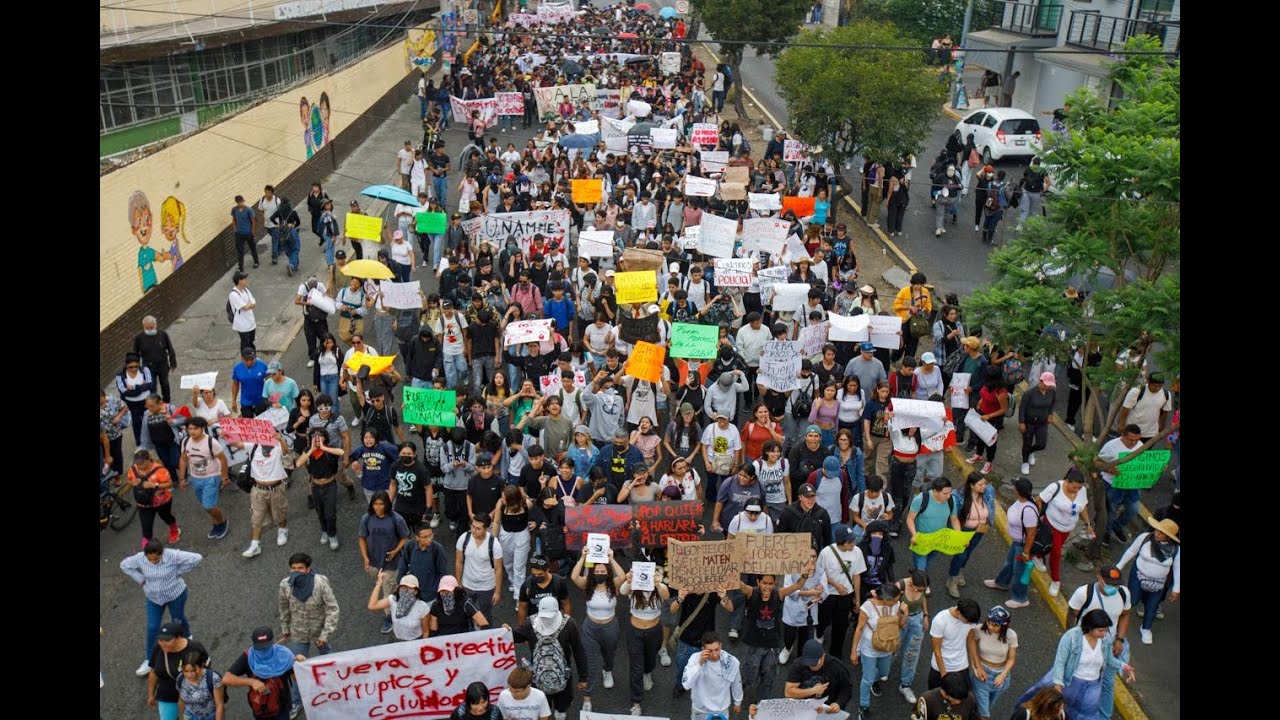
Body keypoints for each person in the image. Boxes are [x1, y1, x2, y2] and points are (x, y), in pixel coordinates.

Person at [1013, 610, 1136, 720]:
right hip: (1071, 681)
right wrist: (1058, 684)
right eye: (1100, 630)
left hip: (1093, 685)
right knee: (1060, 710)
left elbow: (1109, 659)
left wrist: (1123, 666)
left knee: (1089, 714)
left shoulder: (1104, 641)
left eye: (1105, 630)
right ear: (1090, 627)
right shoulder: (1071, 637)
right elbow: (1060, 662)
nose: (1104, 634)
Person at [121, 540, 202, 677]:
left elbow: (197, 558)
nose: (153, 561)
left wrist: (179, 571)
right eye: (150, 559)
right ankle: (149, 659)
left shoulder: (173, 555)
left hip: (175, 594)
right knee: (153, 627)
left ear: (162, 554)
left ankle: (187, 637)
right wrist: (140, 579)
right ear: (145, 555)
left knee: (177, 620)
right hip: (153, 598)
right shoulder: (139, 558)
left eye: (156, 559)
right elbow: (124, 565)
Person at [511, 595, 590, 720]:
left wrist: (583, 676)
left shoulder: (567, 624)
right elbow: (517, 636)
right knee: (546, 705)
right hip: (560, 673)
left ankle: (560, 711)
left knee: (559, 704)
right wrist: (507, 631)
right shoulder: (567, 623)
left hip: (542, 674)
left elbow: (578, 650)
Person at [278, 552, 339, 714]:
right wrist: (285, 628)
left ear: (308, 569)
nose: (296, 572)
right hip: (299, 631)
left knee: (328, 662)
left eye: (300, 568)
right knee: (296, 669)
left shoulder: (320, 583)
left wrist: (325, 634)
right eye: (293, 568)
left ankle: (335, 690)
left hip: (319, 630)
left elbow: (332, 608)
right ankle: (297, 702)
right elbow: (284, 608)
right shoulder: (285, 585)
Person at [737, 572, 808, 705]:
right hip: (753, 644)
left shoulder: (779, 594)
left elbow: (798, 585)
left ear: (775, 584)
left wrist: (805, 575)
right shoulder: (751, 592)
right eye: (764, 583)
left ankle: (761, 702)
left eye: (771, 584)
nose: (767, 587)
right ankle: (741, 689)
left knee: (768, 677)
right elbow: (739, 584)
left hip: (772, 645)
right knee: (749, 675)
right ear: (758, 582)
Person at [571, 546, 627, 711]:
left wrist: (611, 558)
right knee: (590, 662)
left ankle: (607, 670)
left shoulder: (613, 586)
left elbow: (622, 576)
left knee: (609, 653)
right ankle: (587, 697)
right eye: (597, 571)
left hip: (610, 627)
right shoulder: (587, 585)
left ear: (608, 573)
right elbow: (574, 576)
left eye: (603, 571)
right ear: (592, 573)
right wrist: (582, 557)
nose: (600, 574)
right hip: (590, 628)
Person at [1115, 518, 1180, 645]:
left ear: (1168, 536)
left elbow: (1178, 569)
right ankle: (1117, 617)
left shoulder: (1176, 550)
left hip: (1158, 583)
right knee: (1132, 600)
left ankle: (1146, 628)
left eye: (1161, 533)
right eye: (1157, 530)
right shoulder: (1145, 538)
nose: (1157, 533)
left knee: (1152, 606)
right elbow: (1131, 551)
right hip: (1138, 576)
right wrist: (1119, 566)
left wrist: (1176, 589)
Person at [222, 627, 308, 720]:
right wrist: (251, 682)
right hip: (260, 708)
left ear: (272, 642)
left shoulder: (283, 656)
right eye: (259, 647)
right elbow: (226, 679)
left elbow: (297, 679)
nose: (263, 650)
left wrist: (301, 665)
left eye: (266, 646)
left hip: (282, 708)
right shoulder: (249, 657)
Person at [620, 564, 672, 715]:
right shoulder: (634, 587)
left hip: (654, 631)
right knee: (636, 667)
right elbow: (623, 591)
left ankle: (647, 673)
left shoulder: (659, 587)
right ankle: (636, 703)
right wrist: (629, 580)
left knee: (649, 659)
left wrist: (657, 583)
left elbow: (667, 595)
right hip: (635, 631)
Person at [850, 583, 907, 718]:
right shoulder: (867, 607)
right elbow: (859, 629)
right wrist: (854, 651)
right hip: (869, 648)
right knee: (867, 679)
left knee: (883, 673)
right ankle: (863, 707)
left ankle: (874, 680)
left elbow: (901, 625)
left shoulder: (896, 605)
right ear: (885, 599)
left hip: (887, 646)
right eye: (894, 600)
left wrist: (905, 613)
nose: (896, 602)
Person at [234, 430, 293, 558]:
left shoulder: (278, 446)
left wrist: (280, 439)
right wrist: (226, 435)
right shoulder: (253, 445)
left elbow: (286, 451)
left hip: (276, 488)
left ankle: (282, 530)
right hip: (257, 489)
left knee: (280, 512)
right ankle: (255, 545)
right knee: (256, 517)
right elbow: (237, 444)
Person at [1036, 468, 1094, 597]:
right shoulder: (1054, 487)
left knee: (1051, 546)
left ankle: (1039, 555)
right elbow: (1039, 499)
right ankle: (1056, 580)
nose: (1077, 490)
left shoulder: (1081, 491)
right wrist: (1035, 516)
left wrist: (1088, 524)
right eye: (1074, 487)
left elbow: (1083, 507)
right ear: (1067, 481)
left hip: (1067, 528)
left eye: (1079, 488)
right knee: (1056, 551)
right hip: (1052, 524)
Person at [360, 491, 411, 633]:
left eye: (381, 504)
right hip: (373, 563)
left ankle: (390, 617)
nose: (378, 507)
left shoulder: (396, 519)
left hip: (392, 564)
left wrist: (395, 551)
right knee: (382, 585)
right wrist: (365, 557)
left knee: (388, 592)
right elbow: (362, 537)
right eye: (375, 504)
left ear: (387, 504)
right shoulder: (366, 518)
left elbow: (404, 537)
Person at [985, 478, 1038, 609]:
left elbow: (1031, 533)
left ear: (1017, 491)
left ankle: (1020, 598)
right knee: (1010, 564)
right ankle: (1001, 582)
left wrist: (1026, 552)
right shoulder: (1021, 502)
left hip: (1023, 545)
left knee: (1019, 571)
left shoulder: (1028, 510)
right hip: (1017, 542)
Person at [817, 525, 867, 658]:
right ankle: (819, 634)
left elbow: (856, 576)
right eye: (849, 542)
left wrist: (857, 598)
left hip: (845, 596)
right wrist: (835, 584)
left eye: (853, 541)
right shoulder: (826, 553)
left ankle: (835, 652)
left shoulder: (857, 552)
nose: (853, 544)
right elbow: (819, 574)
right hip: (828, 594)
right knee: (823, 619)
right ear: (840, 542)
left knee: (841, 625)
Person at [178, 417, 231, 540]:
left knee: (208, 506)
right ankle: (216, 524)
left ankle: (222, 522)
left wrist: (224, 476)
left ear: (202, 428)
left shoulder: (211, 442)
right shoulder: (185, 442)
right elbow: (183, 459)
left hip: (211, 477)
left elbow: (223, 459)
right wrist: (182, 478)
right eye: (190, 429)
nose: (192, 431)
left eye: (195, 428)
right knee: (206, 504)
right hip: (195, 478)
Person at [945, 473, 993, 598]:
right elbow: (954, 515)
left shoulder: (988, 493)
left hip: (978, 532)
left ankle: (959, 571)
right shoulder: (959, 497)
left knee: (968, 553)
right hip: (964, 531)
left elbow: (991, 508)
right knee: (960, 555)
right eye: (980, 484)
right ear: (972, 486)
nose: (984, 487)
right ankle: (952, 579)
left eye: (984, 483)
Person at [146, 622, 207, 720]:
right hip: (168, 695)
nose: (162, 643)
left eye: (167, 640)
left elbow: (206, 670)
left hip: (192, 696)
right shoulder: (158, 648)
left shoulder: (194, 648)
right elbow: (154, 672)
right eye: (160, 640)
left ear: (178, 638)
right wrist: (150, 694)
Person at [968, 607, 1018, 720]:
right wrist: (976, 665)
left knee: (986, 706)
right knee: (984, 714)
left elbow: (1011, 659)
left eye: (995, 625)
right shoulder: (979, 630)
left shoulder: (1011, 635)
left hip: (1001, 677)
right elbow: (972, 645)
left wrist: (1003, 674)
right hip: (983, 675)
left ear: (1004, 626)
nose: (990, 627)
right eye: (989, 622)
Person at [682, 631, 744, 720]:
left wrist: (737, 702)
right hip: (701, 710)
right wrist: (700, 664)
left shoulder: (731, 662)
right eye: (710, 651)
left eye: (717, 649)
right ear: (703, 649)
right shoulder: (695, 659)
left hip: (721, 709)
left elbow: (736, 683)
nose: (714, 654)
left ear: (721, 645)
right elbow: (687, 685)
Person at [906, 477, 962, 574]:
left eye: (950, 492)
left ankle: (917, 570)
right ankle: (920, 581)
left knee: (927, 561)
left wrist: (960, 536)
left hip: (938, 541)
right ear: (935, 491)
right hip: (922, 540)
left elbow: (954, 519)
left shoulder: (951, 500)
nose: (948, 496)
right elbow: (910, 519)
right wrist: (914, 535)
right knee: (921, 569)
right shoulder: (921, 499)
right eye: (945, 493)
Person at [456, 512, 505, 620]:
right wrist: (458, 584)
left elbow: (498, 569)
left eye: (478, 528)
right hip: (467, 584)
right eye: (472, 526)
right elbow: (459, 562)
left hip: (486, 587)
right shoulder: (463, 539)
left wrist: (497, 592)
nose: (473, 530)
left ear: (486, 529)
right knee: (465, 614)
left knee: (485, 616)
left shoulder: (494, 544)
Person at [128, 448, 181, 548]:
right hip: (143, 504)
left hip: (161, 502)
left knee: (166, 517)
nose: (139, 466)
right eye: (138, 464)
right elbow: (129, 481)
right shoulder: (133, 469)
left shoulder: (160, 470)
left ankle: (174, 529)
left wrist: (154, 485)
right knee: (146, 526)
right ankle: (147, 550)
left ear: (149, 459)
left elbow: (169, 484)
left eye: (142, 464)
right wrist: (132, 483)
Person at [785, 638, 854, 714]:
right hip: (806, 708)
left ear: (823, 656)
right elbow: (788, 692)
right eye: (808, 663)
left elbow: (846, 688)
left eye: (814, 663)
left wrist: (838, 704)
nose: (811, 666)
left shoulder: (836, 666)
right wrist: (813, 690)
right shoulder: (798, 665)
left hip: (828, 709)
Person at [928, 598, 981, 691]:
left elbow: (971, 641)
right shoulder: (940, 620)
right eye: (967, 621)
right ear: (959, 612)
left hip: (961, 666)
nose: (969, 624)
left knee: (964, 700)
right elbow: (937, 650)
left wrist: (978, 666)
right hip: (940, 669)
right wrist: (944, 676)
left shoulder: (969, 619)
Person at [368, 572, 432, 640]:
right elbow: (372, 606)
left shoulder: (423, 608)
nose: (406, 591)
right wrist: (379, 583)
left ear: (416, 591)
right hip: (397, 639)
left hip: (415, 640)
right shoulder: (393, 600)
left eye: (410, 588)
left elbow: (425, 631)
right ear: (399, 589)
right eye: (403, 588)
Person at [1018, 372, 1057, 475]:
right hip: (1029, 422)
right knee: (1027, 443)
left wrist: (1050, 414)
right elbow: (1022, 408)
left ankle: (1031, 451)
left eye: (1049, 385)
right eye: (1045, 384)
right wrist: (1021, 422)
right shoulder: (1029, 393)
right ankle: (1025, 462)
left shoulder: (1051, 392)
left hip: (1042, 422)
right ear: (1040, 381)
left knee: (1041, 444)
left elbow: (1052, 403)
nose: (1047, 387)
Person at [133, 316, 178, 403]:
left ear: (155, 325)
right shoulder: (139, 338)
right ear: (143, 327)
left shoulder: (163, 334)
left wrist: (173, 363)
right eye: (147, 328)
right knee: (151, 386)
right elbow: (135, 353)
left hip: (162, 364)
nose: (150, 330)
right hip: (148, 366)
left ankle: (167, 402)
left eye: (151, 327)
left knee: (165, 384)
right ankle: (154, 403)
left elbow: (170, 349)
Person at [175, 646, 225, 720]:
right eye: (186, 671)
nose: (189, 675)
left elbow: (219, 705)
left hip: (209, 717)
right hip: (189, 716)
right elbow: (181, 700)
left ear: (201, 666)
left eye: (193, 670)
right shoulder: (180, 678)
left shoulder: (213, 678)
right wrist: (181, 717)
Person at [911, 672, 980, 720]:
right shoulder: (927, 700)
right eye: (955, 699)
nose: (959, 702)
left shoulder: (969, 698)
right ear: (944, 693)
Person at [228, 273, 259, 352]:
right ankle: (247, 358)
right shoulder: (233, 294)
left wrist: (249, 305)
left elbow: (254, 303)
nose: (246, 280)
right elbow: (245, 307)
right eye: (244, 279)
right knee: (246, 344)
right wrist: (249, 305)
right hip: (242, 325)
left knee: (251, 341)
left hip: (251, 322)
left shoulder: (246, 290)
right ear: (239, 281)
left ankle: (252, 357)